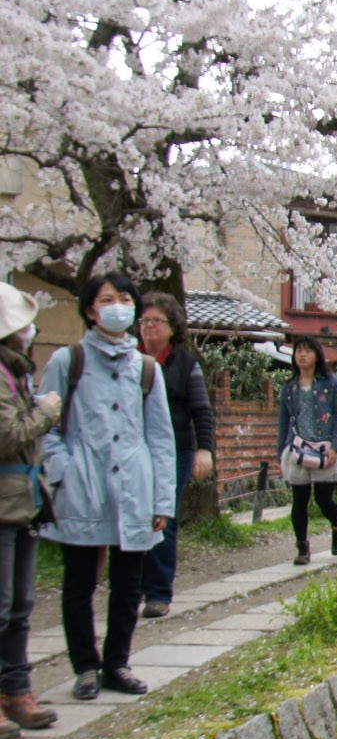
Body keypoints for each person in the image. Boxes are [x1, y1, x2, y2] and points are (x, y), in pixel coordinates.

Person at [39, 272, 176, 700]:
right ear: (90, 310)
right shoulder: (69, 360)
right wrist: (63, 471)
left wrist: (162, 498)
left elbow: (160, 438)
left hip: (134, 487)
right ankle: (84, 665)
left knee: (128, 584)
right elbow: (45, 426)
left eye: (124, 298)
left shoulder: (146, 369)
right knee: (79, 582)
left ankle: (117, 662)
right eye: (106, 298)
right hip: (84, 484)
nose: (117, 305)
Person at [0, 284, 61, 738]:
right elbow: (8, 434)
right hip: (4, 502)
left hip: (25, 499)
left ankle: (18, 690)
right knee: (2, 604)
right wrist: (46, 412)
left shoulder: (17, 373)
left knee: (21, 603)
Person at [133, 294, 217, 618]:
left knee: (162, 515)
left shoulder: (185, 364)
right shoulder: (130, 361)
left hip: (176, 450)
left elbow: (200, 409)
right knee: (135, 514)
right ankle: (135, 582)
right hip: (133, 450)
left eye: (157, 321)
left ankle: (158, 591)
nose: (149, 327)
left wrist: (204, 449)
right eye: (145, 321)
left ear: (172, 328)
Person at [277, 335, 337, 565]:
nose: (303, 355)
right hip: (298, 447)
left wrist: (336, 447)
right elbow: (283, 421)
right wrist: (281, 451)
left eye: (308, 350)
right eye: (299, 350)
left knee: (323, 498)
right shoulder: (289, 388)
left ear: (317, 355)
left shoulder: (331, 384)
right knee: (299, 500)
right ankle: (302, 547)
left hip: (325, 448)